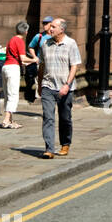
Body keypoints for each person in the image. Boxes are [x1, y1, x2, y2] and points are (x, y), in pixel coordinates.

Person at [38, 18, 81, 159]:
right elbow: (42, 66)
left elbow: (74, 66)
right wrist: (39, 85)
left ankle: (65, 143)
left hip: (65, 88)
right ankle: (49, 149)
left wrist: (67, 85)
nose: (50, 29)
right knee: (48, 118)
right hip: (47, 86)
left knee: (65, 118)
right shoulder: (45, 44)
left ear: (62, 29)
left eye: (54, 27)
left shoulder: (71, 44)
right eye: (50, 27)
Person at [1, 21, 36, 130]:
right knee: (13, 95)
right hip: (13, 68)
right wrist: (34, 59)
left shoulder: (11, 40)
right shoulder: (20, 41)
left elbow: (19, 59)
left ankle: (10, 120)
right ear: (26, 31)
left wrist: (29, 61)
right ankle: (6, 120)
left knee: (7, 94)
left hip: (5, 67)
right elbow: (22, 58)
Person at [24, 17, 52, 103]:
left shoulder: (56, 36)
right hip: (41, 63)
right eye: (43, 23)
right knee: (39, 80)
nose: (44, 25)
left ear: (51, 24)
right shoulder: (39, 36)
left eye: (46, 23)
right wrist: (34, 57)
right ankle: (39, 98)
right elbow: (30, 47)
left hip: (53, 63)